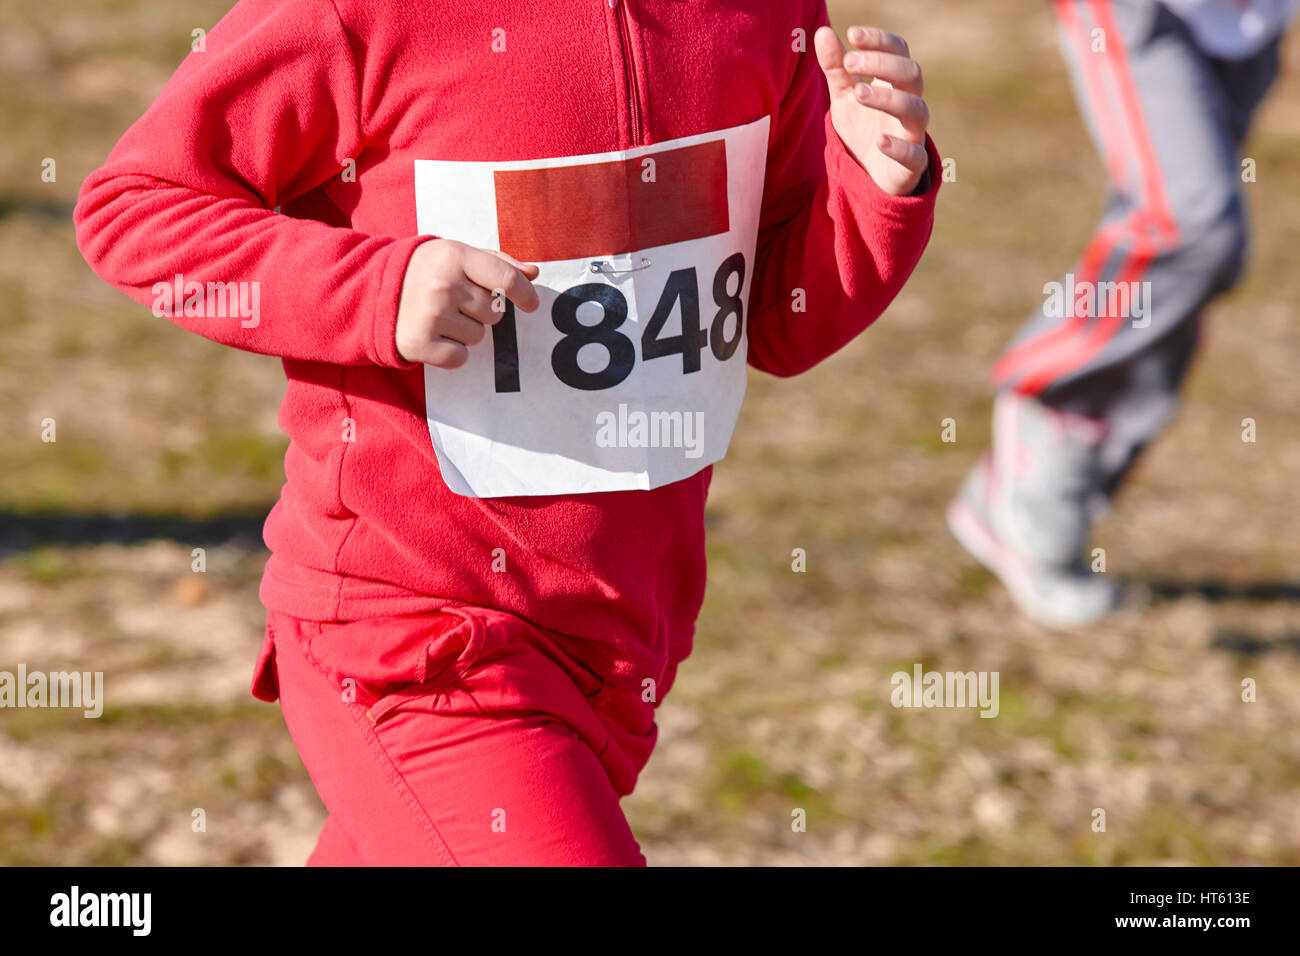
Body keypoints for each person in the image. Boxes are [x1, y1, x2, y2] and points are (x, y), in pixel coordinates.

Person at [75, 0, 939, 865]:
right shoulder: (359, 15)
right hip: (415, 636)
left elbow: (779, 324)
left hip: (621, 646)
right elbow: (135, 209)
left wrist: (872, 188)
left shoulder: (766, 16)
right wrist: (377, 289)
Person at [948, 0, 1295, 629]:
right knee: (1192, 229)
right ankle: (1044, 394)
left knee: (1184, 257)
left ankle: (1042, 484)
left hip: (1251, 23)